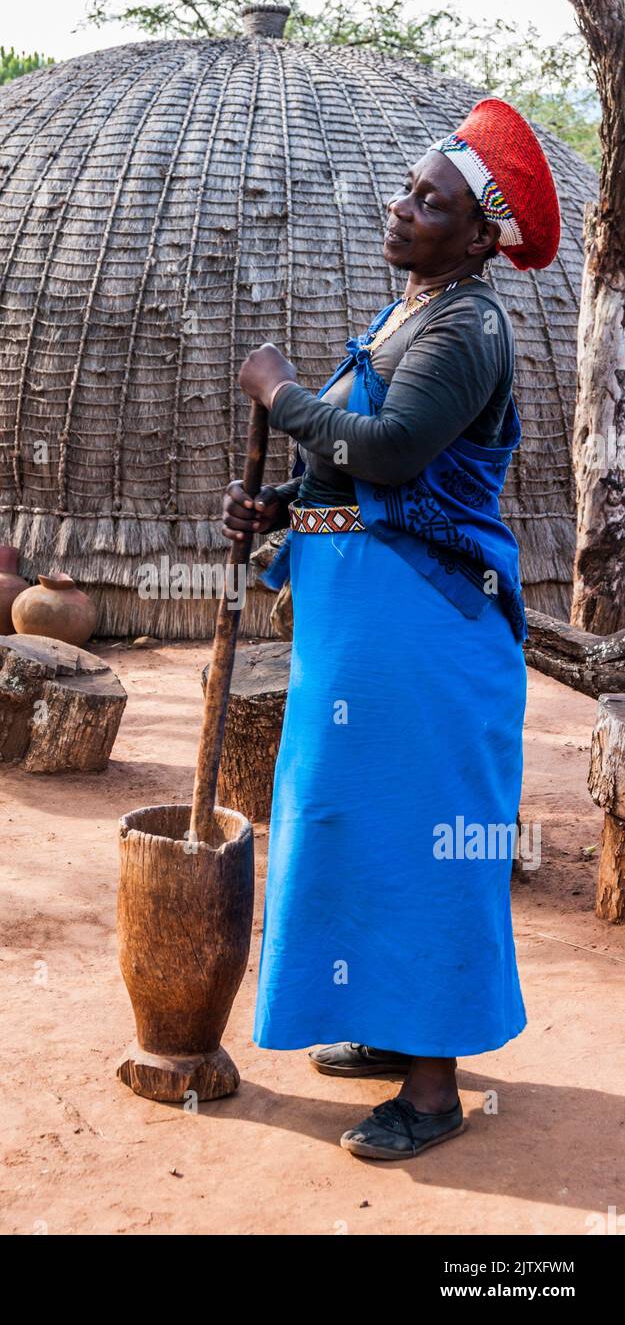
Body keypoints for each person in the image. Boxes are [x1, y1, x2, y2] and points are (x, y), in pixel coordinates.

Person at [223, 98, 561, 1160]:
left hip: (423, 631)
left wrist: (278, 394)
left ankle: (431, 1089)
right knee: (349, 819)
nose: (402, 207)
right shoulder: (406, 312)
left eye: (431, 201)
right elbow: (340, 466)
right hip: (360, 627)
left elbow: (396, 448)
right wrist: (276, 503)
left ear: (478, 238)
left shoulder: (468, 326)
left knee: (423, 837)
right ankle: (380, 1023)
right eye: (408, 190)